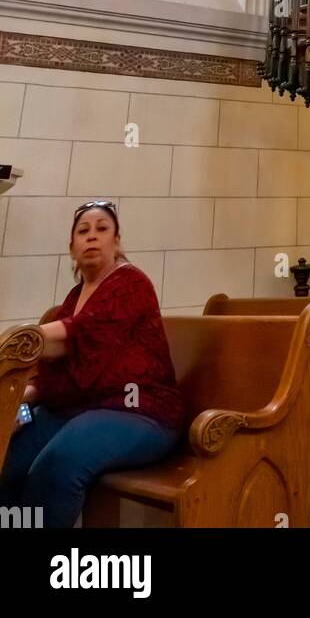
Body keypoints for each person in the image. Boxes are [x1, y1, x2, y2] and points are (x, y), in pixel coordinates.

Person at [0, 200, 183, 527]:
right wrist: (14, 403)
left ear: (117, 241)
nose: (92, 237)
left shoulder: (131, 283)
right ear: (72, 248)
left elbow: (77, 335)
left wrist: (14, 343)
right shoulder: (73, 299)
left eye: (102, 229)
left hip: (139, 409)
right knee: (7, 452)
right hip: (77, 409)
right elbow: (53, 373)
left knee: (57, 462)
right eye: (83, 231)